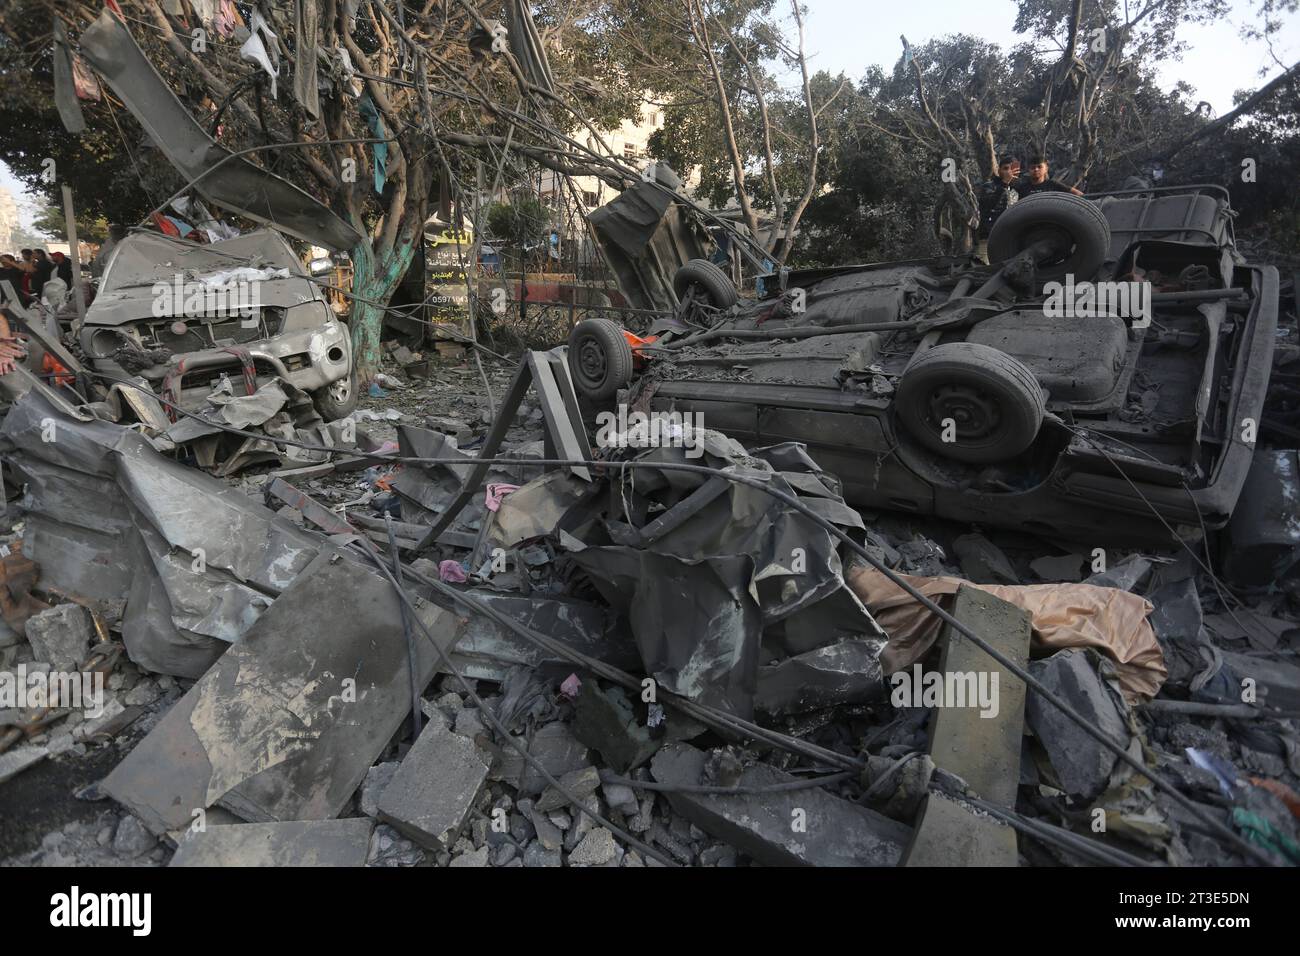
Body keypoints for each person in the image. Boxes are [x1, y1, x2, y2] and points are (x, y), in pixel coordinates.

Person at [976, 154, 1021, 263]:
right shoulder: (989, 186)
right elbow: (989, 205)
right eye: (1006, 169)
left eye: (1012, 169)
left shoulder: (1019, 188)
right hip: (988, 236)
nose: (1009, 172)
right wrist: (1004, 184)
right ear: (999, 170)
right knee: (983, 268)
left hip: (1011, 238)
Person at [1018, 155, 1083, 197]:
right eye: (1032, 167)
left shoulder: (1053, 185)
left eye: (1039, 167)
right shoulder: (1022, 188)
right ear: (1028, 170)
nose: (1036, 169)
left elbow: (1078, 194)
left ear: (1046, 169)